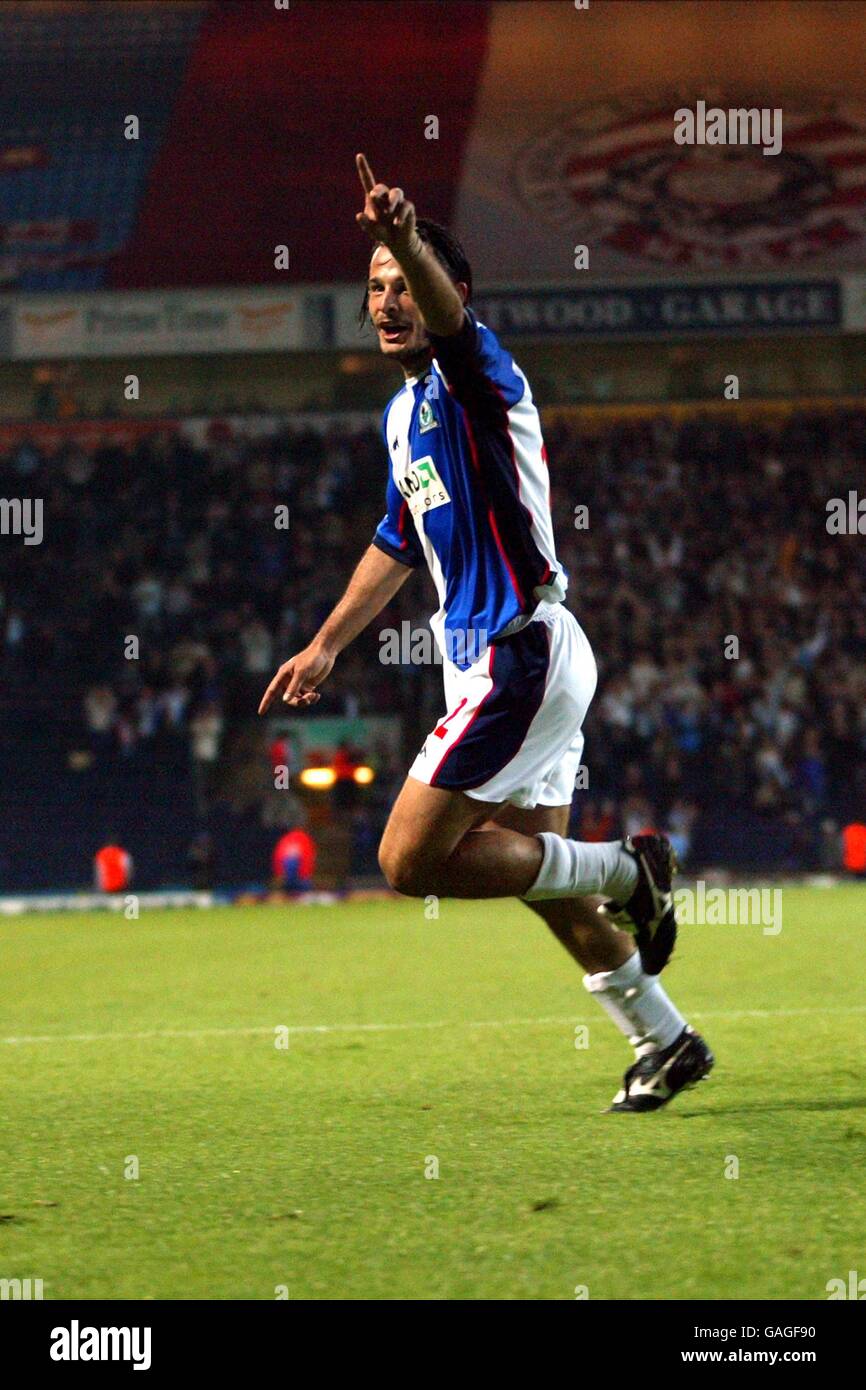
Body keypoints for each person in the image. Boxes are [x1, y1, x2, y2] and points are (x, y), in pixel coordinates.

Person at [259, 155, 713, 1112]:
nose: (386, 300)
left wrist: (403, 233)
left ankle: (631, 869)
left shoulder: (481, 376)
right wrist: (329, 642)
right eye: (374, 287)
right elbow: (398, 540)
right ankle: (665, 1042)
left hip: (521, 653)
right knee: (544, 886)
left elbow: (450, 319)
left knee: (404, 862)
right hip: (508, 661)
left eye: (402, 284)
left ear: (445, 292)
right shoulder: (401, 417)